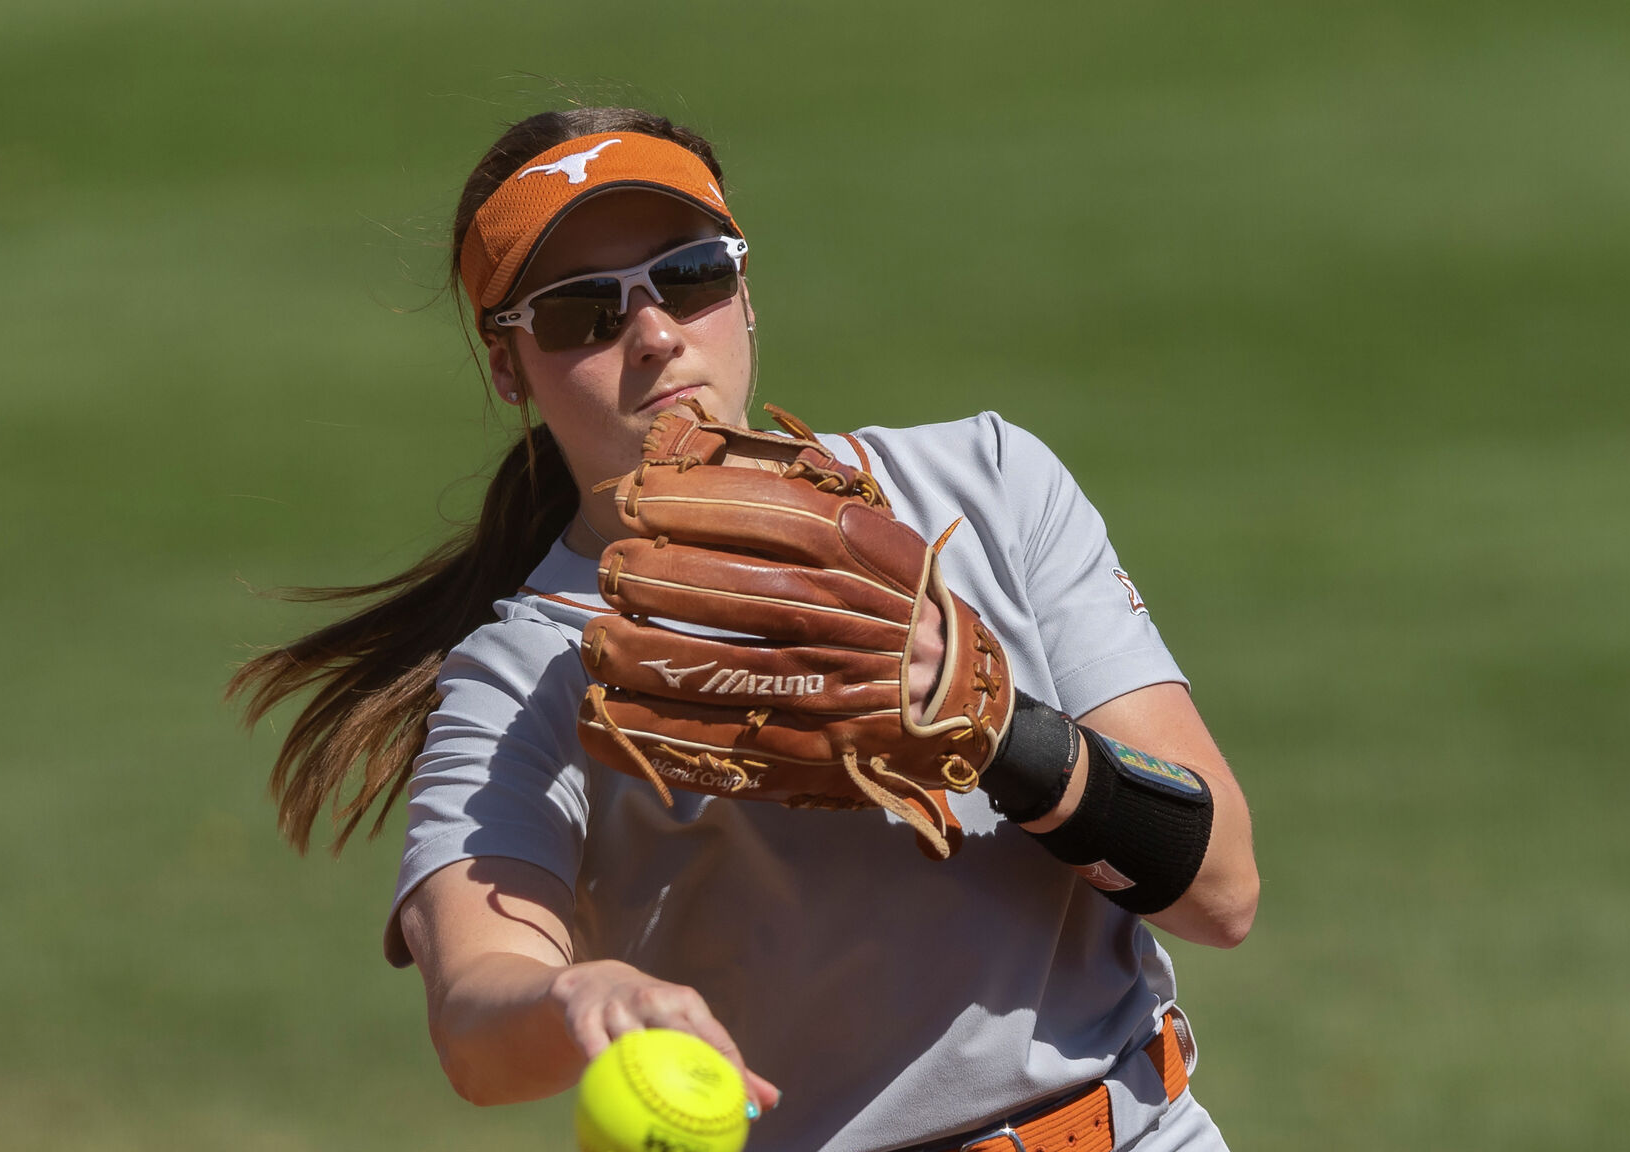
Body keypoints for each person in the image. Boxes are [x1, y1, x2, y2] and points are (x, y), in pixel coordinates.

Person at [231, 106, 1259, 1152]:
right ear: (508, 367)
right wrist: (574, 998)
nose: (653, 333)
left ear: (743, 291)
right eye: (581, 310)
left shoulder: (984, 486)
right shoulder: (525, 673)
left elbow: (1220, 892)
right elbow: (474, 1013)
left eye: (688, 276)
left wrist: (1005, 734)